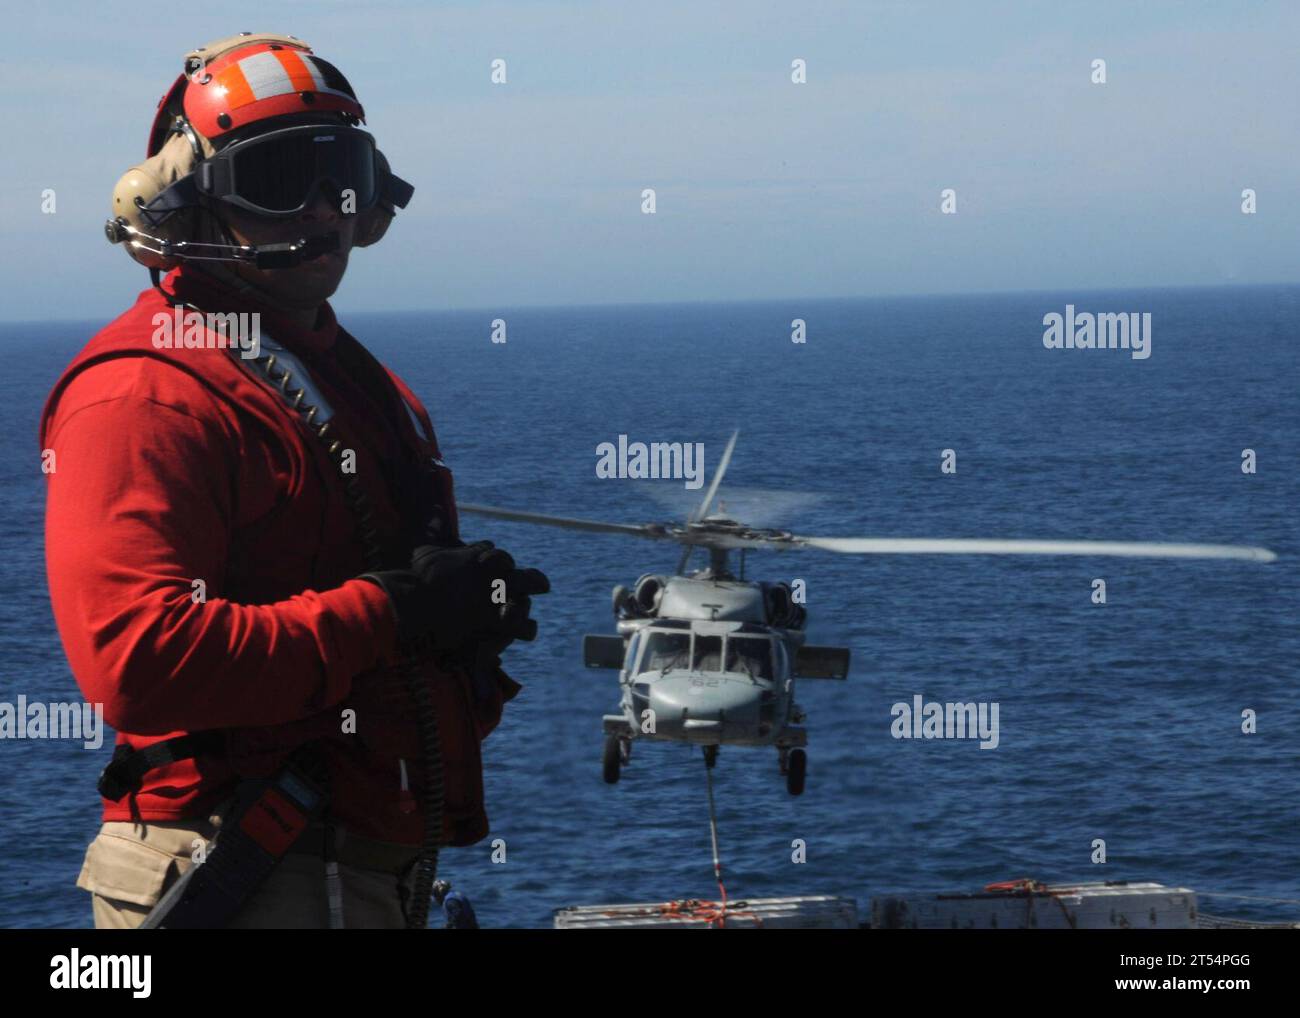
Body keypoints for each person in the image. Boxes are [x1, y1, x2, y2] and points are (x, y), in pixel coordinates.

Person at [39, 32, 548, 928]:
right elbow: (139, 662)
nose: (320, 209)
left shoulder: (347, 380)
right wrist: (392, 615)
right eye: (277, 180)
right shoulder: (145, 391)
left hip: (355, 876)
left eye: (341, 175)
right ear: (186, 203)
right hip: (237, 871)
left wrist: (464, 629)